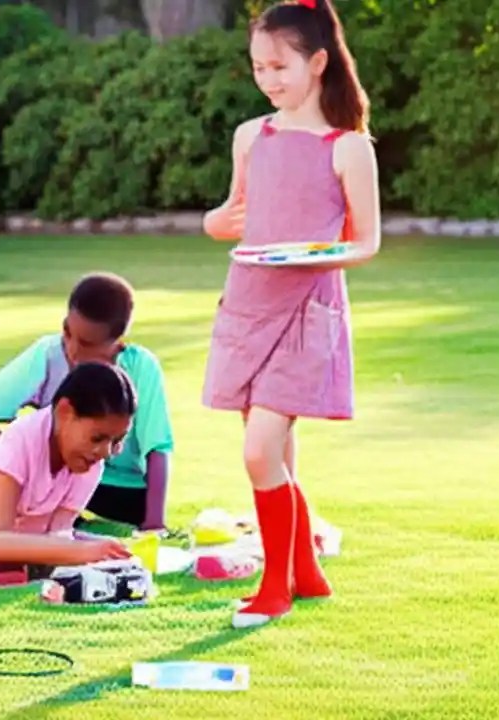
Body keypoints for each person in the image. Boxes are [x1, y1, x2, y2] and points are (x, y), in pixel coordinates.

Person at [201, 0, 381, 629]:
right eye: (258, 69)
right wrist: (212, 223)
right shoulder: (251, 137)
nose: (269, 79)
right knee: (277, 450)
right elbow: (233, 217)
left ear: (318, 62)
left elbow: (366, 242)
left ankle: (274, 585)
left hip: (308, 310)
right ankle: (305, 571)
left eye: (280, 66)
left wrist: (316, 252)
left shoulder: (348, 147)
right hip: (249, 301)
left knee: (259, 451)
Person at [0, 272, 174, 531]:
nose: (74, 350)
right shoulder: (49, 354)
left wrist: (154, 524)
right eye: (69, 334)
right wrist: (20, 470)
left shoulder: (141, 367)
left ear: (118, 344)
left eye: (90, 344)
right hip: (55, 485)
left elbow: (158, 448)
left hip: (121, 489)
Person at [0, 362, 137, 566]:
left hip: (32, 538)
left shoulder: (90, 460)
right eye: (97, 438)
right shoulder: (20, 440)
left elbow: (59, 533)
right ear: (65, 412)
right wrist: (80, 551)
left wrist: (88, 550)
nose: (106, 452)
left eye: (117, 441)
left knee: (112, 549)